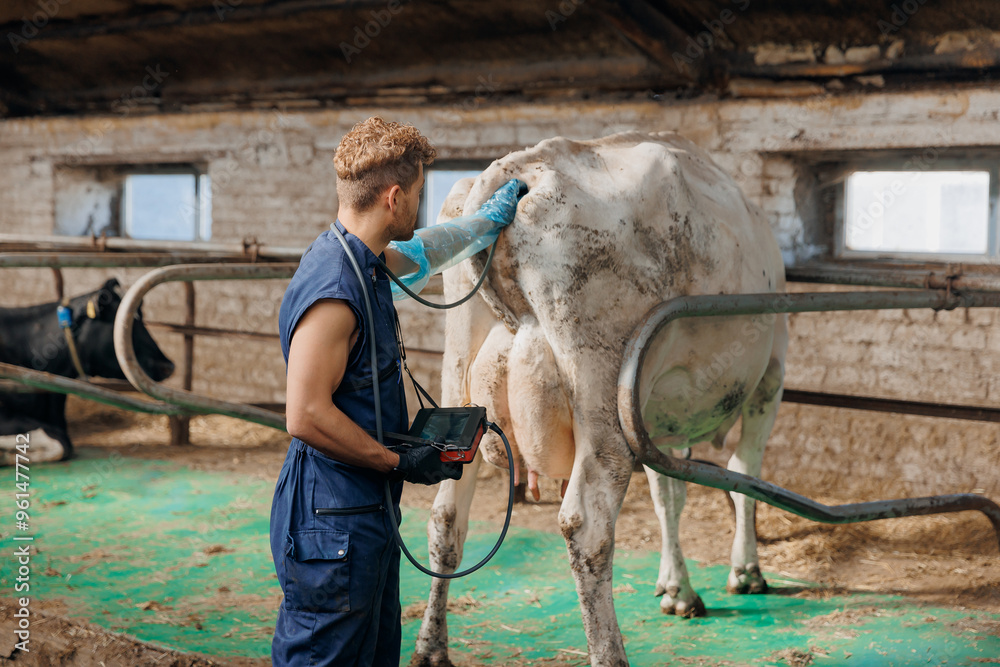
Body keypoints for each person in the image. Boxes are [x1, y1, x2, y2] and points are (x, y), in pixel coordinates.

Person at [269, 116, 524, 667]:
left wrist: (484, 224)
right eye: (417, 194)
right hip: (331, 513)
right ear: (393, 196)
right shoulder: (335, 291)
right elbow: (305, 414)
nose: (418, 207)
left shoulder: (365, 263)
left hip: (362, 508)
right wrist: (395, 460)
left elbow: (427, 250)